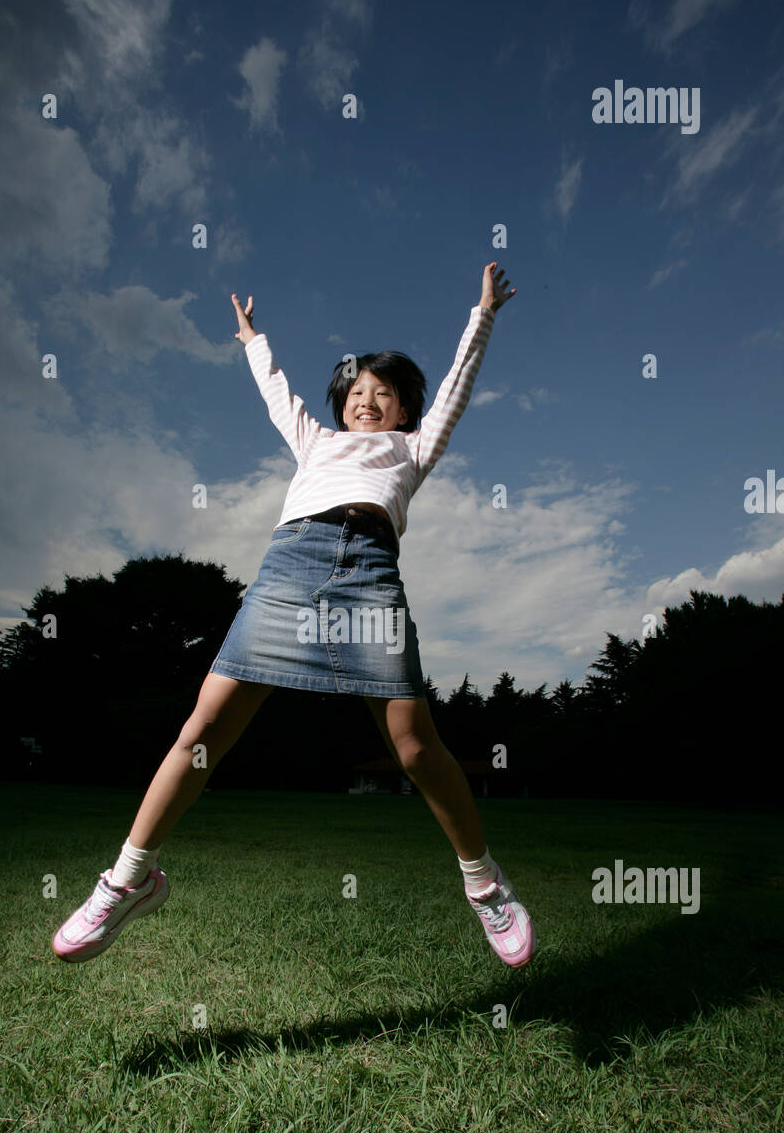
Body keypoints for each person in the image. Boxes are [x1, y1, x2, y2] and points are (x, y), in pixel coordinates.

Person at [52, 262, 536, 970]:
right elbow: (278, 394)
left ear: (404, 409)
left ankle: (486, 885)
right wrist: (252, 339)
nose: (368, 402)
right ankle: (127, 880)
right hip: (290, 569)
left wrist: (483, 312)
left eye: (385, 395)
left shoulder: (415, 446)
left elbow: (459, 382)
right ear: (342, 403)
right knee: (205, 728)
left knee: (412, 746)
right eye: (358, 393)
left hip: (369, 573)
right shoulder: (315, 441)